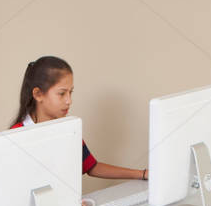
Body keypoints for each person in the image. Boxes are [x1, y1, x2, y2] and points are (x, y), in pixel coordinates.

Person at [10, 56, 146, 181]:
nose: (69, 101)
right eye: (62, 93)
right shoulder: (16, 136)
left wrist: (142, 174)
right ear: (38, 94)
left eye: (71, 92)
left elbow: (91, 167)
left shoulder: (69, 129)